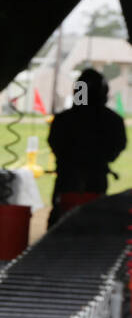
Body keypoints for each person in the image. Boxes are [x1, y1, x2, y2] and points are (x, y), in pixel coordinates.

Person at [48, 67, 126, 212]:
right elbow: (117, 146)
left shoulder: (63, 119)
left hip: (67, 178)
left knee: (62, 218)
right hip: (94, 179)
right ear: (103, 92)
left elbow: (55, 144)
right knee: (92, 218)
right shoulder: (112, 120)